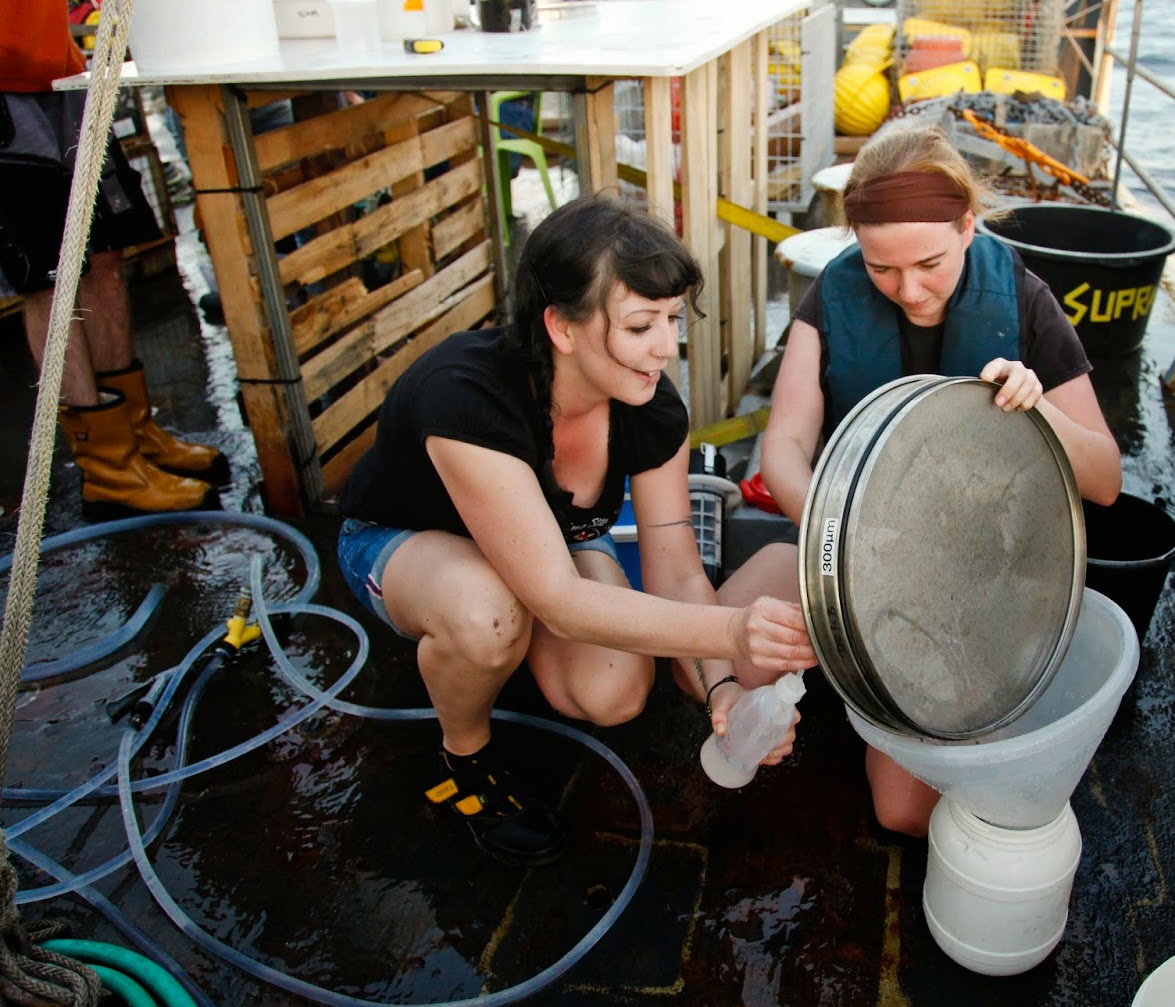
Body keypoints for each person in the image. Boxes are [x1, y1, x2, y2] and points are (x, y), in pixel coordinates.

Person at [336, 195, 816, 865]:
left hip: (552, 543)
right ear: (562, 327)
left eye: (673, 321)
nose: (666, 348)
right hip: (408, 542)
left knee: (612, 695)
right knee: (488, 616)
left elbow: (676, 567)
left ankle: (497, 661)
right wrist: (732, 632)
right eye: (642, 325)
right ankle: (466, 756)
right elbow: (558, 599)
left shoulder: (648, 407)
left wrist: (724, 687)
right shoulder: (467, 397)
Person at [742, 124, 1124, 837]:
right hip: (852, 552)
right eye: (881, 267)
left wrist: (1040, 408)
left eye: (929, 262)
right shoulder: (833, 295)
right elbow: (785, 446)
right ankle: (832, 660)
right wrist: (843, 543)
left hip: (973, 579)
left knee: (903, 812)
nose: (907, 288)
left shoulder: (1026, 299)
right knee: (729, 654)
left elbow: (1104, 481)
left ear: (968, 226)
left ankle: (877, 694)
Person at [1, 0, 223, 515]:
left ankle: (134, 435)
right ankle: (106, 467)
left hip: (63, 70)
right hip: (6, 89)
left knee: (104, 253)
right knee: (47, 275)